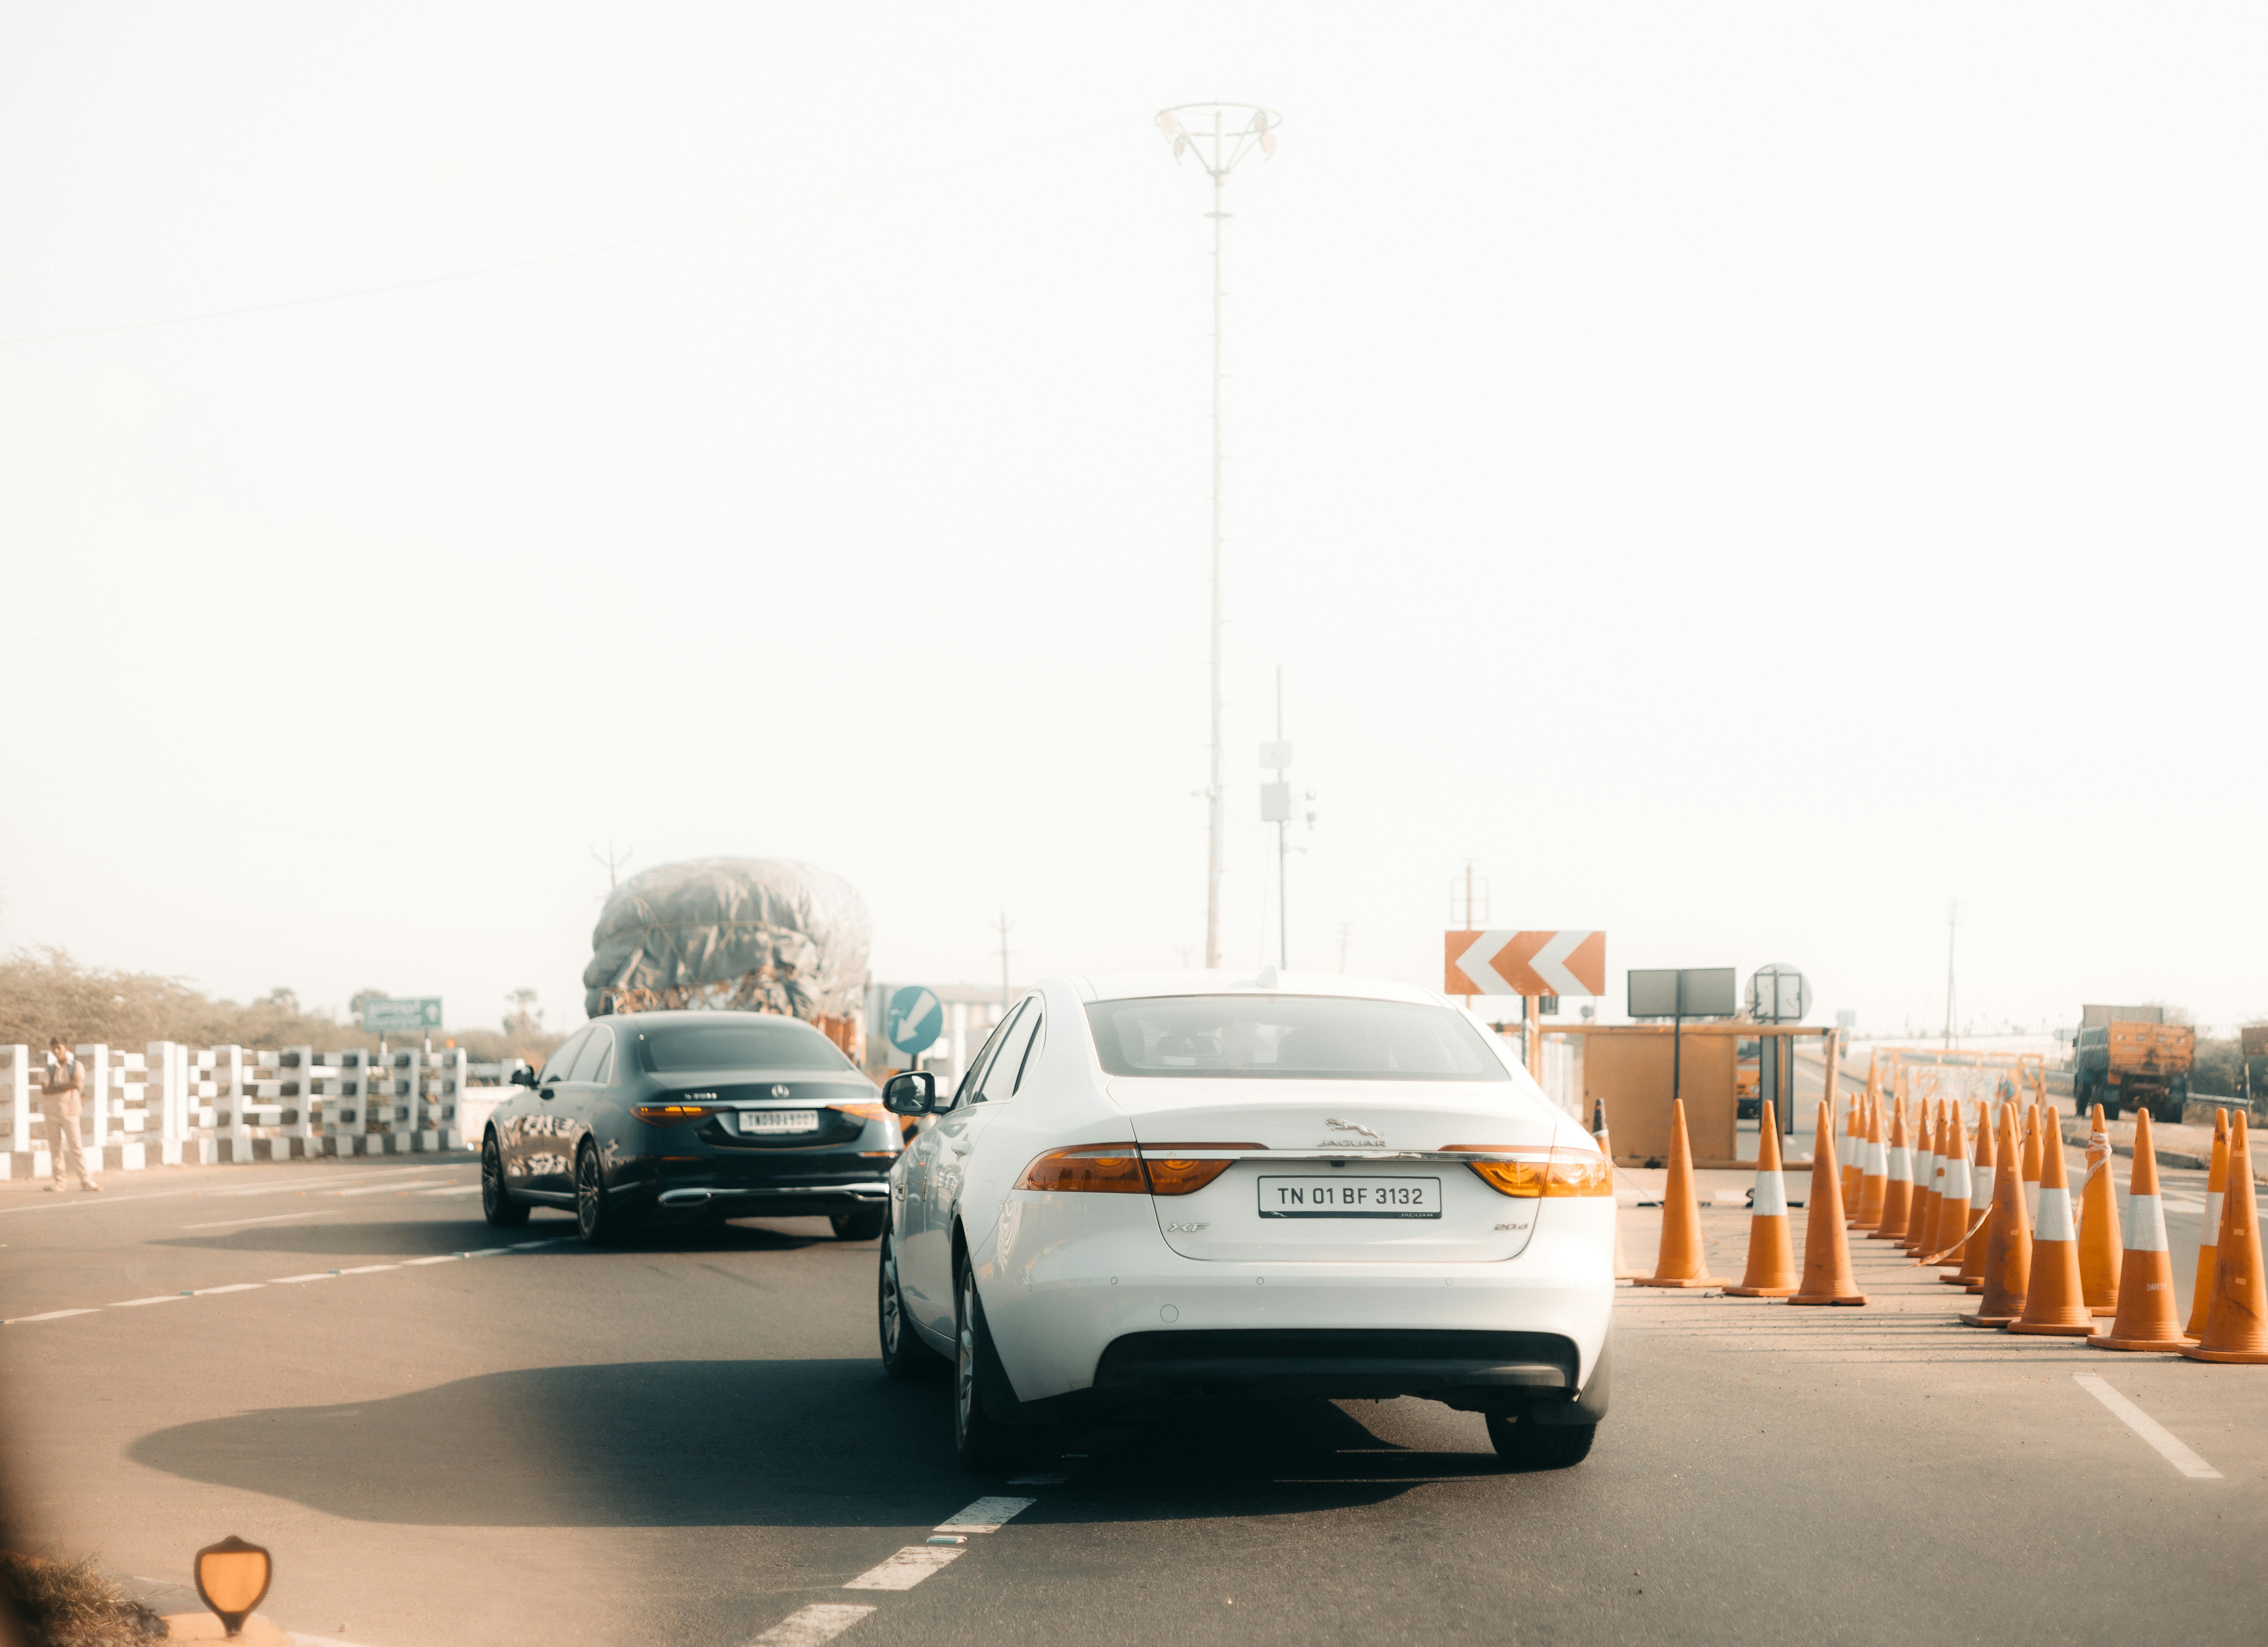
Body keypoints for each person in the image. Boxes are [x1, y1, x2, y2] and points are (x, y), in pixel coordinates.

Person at [42, 1037, 99, 1193]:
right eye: (53, 1049)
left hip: (70, 1111)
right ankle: (60, 1182)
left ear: (66, 1048)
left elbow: (76, 1084)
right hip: (51, 1111)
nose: (56, 1051)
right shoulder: (50, 1068)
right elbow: (45, 1089)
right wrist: (63, 1087)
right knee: (55, 1148)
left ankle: (86, 1180)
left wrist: (56, 1087)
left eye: (59, 1048)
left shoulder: (76, 1066)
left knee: (76, 1147)